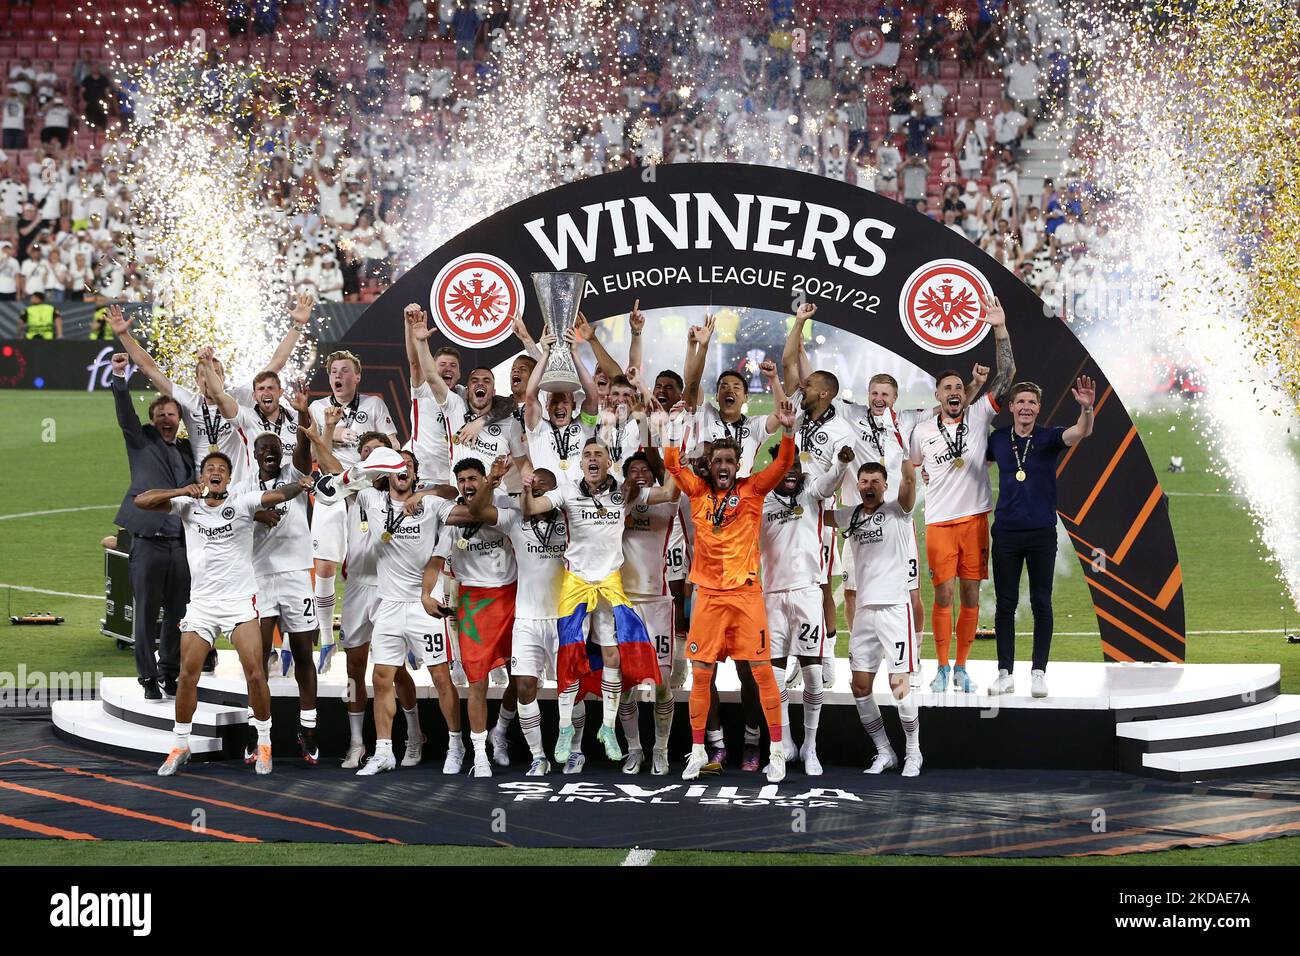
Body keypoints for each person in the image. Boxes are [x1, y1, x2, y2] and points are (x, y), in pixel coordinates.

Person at [137, 452, 312, 776]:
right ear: (202, 477)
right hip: (202, 604)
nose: (215, 472)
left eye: (221, 469)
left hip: (239, 603)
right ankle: (180, 744)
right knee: (187, 675)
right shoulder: (187, 505)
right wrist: (178, 491)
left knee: (255, 674)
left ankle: (263, 744)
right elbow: (142, 502)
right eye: (209, 469)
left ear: (229, 479)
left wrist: (299, 485)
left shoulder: (243, 502)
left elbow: (276, 495)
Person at [664, 401, 799, 783]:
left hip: (744, 596)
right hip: (706, 595)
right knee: (701, 675)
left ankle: (775, 752)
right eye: (717, 460)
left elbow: (783, 464)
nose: (723, 466)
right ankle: (697, 752)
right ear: (708, 465)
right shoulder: (696, 491)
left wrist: (787, 431)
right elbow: (673, 464)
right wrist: (674, 429)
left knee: (761, 674)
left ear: (738, 465)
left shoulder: (753, 490)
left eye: (729, 460)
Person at [315, 446, 463, 776]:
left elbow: (454, 495)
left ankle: (455, 745)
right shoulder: (370, 499)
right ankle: (383, 752)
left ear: (415, 473)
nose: (403, 469)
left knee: (440, 676)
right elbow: (333, 482)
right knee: (381, 677)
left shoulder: (431, 503)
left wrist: (423, 493)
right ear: (386, 472)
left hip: (425, 603)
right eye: (396, 465)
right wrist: (330, 444)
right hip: (388, 602)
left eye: (408, 465)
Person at [520, 437, 662, 770]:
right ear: (581, 464)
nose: (592, 459)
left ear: (610, 461)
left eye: (598, 454)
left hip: (609, 582)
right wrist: (527, 489)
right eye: (587, 455)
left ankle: (609, 729)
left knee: (613, 654)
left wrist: (661, 448)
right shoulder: (567, 491)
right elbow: (531, 509)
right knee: (569, 657)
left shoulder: (623, 493)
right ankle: (565, 727)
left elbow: (669, 493)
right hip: (576, 582)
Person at [301, 412, 431, 768]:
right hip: (358, 587)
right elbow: (330, 464)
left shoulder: (407, 496)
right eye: (366, 453)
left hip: (394, 589)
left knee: (395, 670)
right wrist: (317, 438)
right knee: (355, 669)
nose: (372, 459)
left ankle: (415, 735)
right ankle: (357, 742)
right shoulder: (357, 493)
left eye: (379, 453)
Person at [909, 292, 1016, 693]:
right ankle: (939, 667)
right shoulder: (921, 431)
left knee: (970, 596)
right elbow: (916, 469)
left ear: (965, 393)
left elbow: (1007, 375)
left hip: (974, 520)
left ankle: (962, 667)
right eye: (946, 387)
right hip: (938, 523)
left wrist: (999, 329)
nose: (954, 391)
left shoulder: (979, 413)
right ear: (937, 395)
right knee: (944, 595)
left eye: (959, 386)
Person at [986, 377, 1095, 698]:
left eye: (1031, 403)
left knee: (1040, 602)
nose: (1025, 407)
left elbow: (1081, 431)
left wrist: (1087, 408)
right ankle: (1004, 673)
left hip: (1041, 533)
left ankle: (1038, 672)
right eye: (1021, 402)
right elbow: (969, 465)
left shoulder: (1048, 437)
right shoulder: (998, 440)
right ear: (1012, 407)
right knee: (1005, 604)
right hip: (1005, 531)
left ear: (1038, 408)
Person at [455, 457, 565, 775]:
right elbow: (475, 511)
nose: (537, 491)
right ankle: (530, 755)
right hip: (517, 612)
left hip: (558, 615)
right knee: (519, 682)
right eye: (532, 486)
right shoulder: (514, 517)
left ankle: (506, 731)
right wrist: (491, 479)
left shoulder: (569, 519)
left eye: (544, 488)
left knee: (566, 688)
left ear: (556, 494)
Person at [759, 442, 853, 775]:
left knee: (813, 674)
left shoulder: (811, 492)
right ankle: (783, 744)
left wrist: (841, 465)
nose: (791, 473)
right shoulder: (760, 500)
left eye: (795, 466)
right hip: (770, 595)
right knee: (774, 676)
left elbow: (829, 483)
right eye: (784, 467)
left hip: (807, 594)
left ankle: (811, 747)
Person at [781, 301, 861, 689]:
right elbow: (786, 362)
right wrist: (798, 323)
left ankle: (825, 657)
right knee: (790, 584)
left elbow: (837, 480)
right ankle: (801, 653)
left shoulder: (841, 431)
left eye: (810, 385)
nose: (803, 387)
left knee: (819, 586)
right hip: (785, 510)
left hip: (817, 514)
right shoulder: (798, 409)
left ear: (825, 393)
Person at [109, 351, 196, 699]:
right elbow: (125, 415)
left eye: (171, 413)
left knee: (179, 613)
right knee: (145, 613)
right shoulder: (140, 439)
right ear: (152, 419)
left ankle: (169, 673)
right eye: (159, 413)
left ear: (180, 419)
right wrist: (119, 378)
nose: (165, 418)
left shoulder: (191, 451)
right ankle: (147, 678)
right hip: (146, 540)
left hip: (180, 543)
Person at [307, 348, 398, 673]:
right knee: (326, 568)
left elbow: (394, 448)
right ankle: (326, 638)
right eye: (334, 371)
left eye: (345, 370)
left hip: (368, 494)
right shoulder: (318, 408)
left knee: (385, 563)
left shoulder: (373, 405)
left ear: (356, 376)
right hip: (333, 493)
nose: (339, 376)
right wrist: (331, 431)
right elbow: (317, 453)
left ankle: (400, 634)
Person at [832, 459, 923, 776]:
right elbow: (817, 514)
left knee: (900, 687)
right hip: (864, 616)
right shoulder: (851, 516)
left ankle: (914, 752)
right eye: (864, 481)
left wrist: (908, 456)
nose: (869, 486)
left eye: (875, 481)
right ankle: (885, 752)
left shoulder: (899, 512)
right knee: (859, 686)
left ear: (885, 485)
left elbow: (910, 484)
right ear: (857, 486)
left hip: (895, 611)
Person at [432, 458, 520, 776]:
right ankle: (479, 754)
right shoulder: (451, 517)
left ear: (484, 478)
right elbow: (438, 558)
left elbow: (483, 511)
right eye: (463, 481)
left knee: (523, 679)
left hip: (510, 597)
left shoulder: (505, 504)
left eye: (474, 478)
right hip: (473, 604)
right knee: (477, 683)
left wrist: (493, 484)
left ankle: (500, 732)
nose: (468, 485)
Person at [241, 428, 321, 764]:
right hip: (260, 577)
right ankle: (257, 731)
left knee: (303, 652)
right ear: (257, 455)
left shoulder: (295, 474)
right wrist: (257, 513)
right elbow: (230, 513)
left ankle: (309, 728)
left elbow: (303, 449)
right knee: (257, 658)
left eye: (275, 448)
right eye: (264, 449)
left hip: (296, 576)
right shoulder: (244, 485)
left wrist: (304, 416)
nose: (270, 452)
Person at [618, 452, 681, 776]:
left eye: (645, 469)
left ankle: (661, 749)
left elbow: (673, 485)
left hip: (657, 603)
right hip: (625, 604)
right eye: (633, 469)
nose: (639, 473)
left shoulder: (666, 503)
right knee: (625, 685)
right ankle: (634, 749)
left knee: (662, 684)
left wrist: (666, 437)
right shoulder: (616, 502)